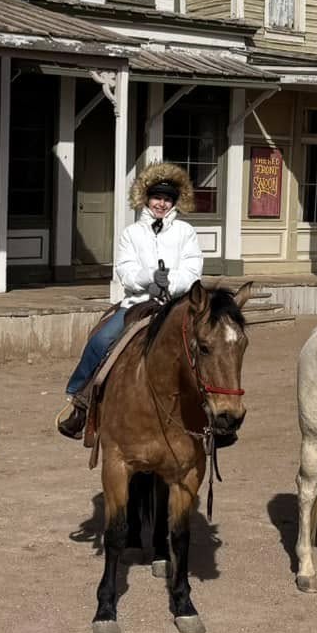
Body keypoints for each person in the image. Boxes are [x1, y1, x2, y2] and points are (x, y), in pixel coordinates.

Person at [54, 162, 206, 440]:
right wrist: (150, 278)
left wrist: (170, 283)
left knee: (210, 347)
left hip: (177, 303)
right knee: (101, 341)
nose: (162, 203)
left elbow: (193, 268)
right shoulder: (131, 233)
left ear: (175, 202)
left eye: (167, 199)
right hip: (138, 303)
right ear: (146, 199)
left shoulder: (186, 232)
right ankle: (80, 401)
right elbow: (124, 271)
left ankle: (211, 418)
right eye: (157, 197)